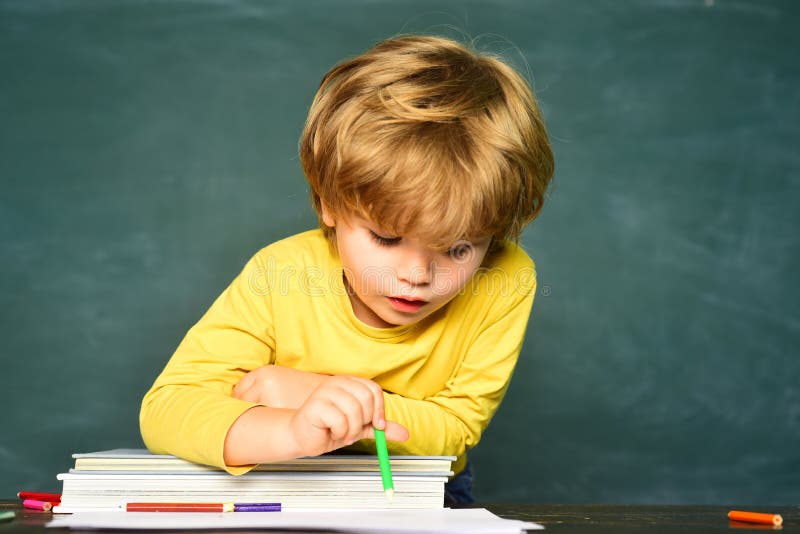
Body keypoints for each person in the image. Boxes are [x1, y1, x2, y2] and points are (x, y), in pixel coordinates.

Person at [140, 34, 554, 504]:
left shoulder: (506, 278)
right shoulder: (280, 273)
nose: (417, 275)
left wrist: (305, 390)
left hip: (422, 489)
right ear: (328, 204)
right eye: (386, 238)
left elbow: (454, 430)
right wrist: (292, 430)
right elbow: (166, 410)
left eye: (458, 248)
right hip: (283, 482)